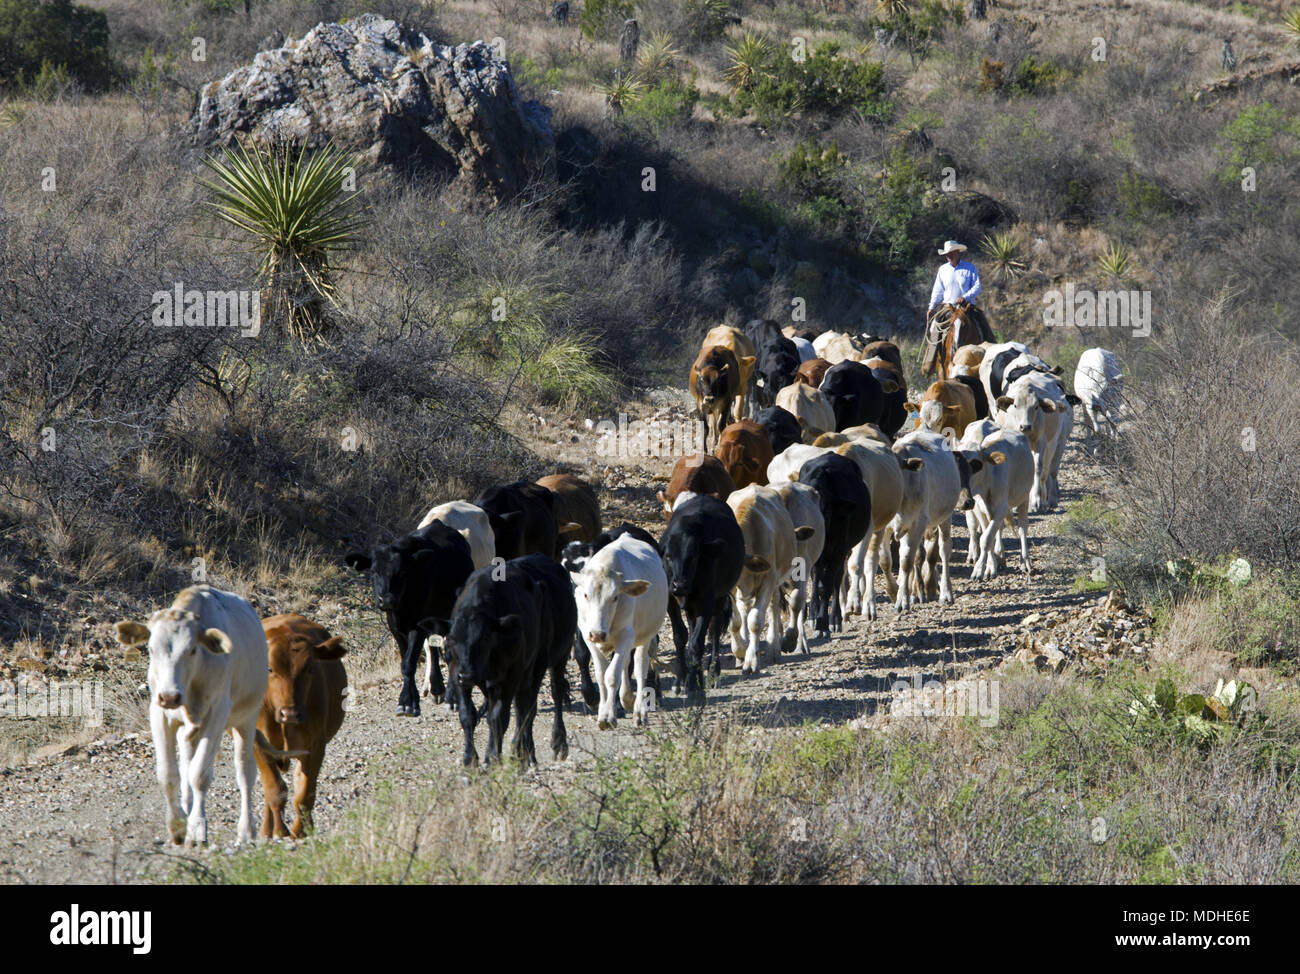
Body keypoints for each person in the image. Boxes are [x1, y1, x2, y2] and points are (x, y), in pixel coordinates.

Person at [922, 240, 995, 373]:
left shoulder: (970, 268)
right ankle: (929, 362)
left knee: (982, 323)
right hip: (948, 307)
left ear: (957, 252)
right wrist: (931, 307)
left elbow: (977, 286)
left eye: (951, 253)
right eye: (946, 254)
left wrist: (965, 297)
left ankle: (993, 356)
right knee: (936, 327)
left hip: (967, 307)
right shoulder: (942, 270)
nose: (948, 256)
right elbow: (938, 290)